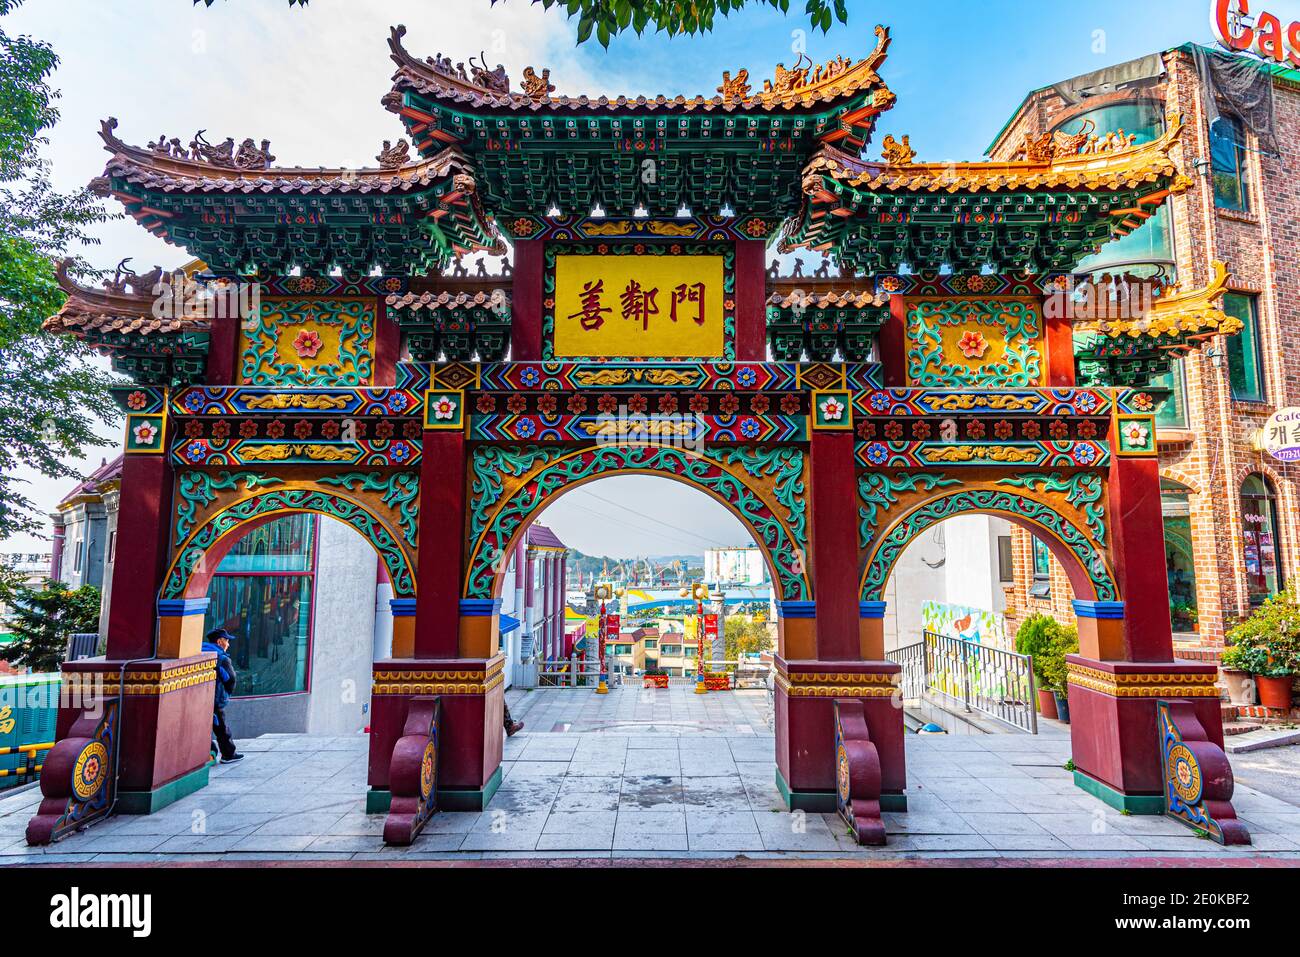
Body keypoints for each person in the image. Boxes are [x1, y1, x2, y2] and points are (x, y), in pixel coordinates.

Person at [202, 628, 244, 763]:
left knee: (202, 726)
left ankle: (210, 751)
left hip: (199, 699)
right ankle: (228, 754)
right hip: (216, 700)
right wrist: (226, 694)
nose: (228, 644)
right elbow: (231, 679)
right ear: (220, 641)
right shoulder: (222, 658)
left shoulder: (200, 653)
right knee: (222, 729)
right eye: (227, 641)